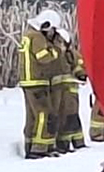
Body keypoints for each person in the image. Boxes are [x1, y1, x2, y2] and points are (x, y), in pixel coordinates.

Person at [18, 10, 68, 159]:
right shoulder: (37, 37)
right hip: (37, 80)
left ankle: (30, 144)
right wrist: (57, 51)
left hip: (29, 81)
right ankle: (39, 148)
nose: (52, 33)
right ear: (46, 25)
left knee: (32, 116)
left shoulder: (28, 35)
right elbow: (43, 57)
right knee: (43, 113)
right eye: (52, 29)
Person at [54, 28, 86, 154]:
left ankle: (75, 141)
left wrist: (81, 74)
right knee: (63, 116)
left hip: (69, 90)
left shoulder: (70, 54)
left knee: (71, 116)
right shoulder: (56, 54)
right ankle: (64, 142)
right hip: (59, 91)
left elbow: (78, 66)